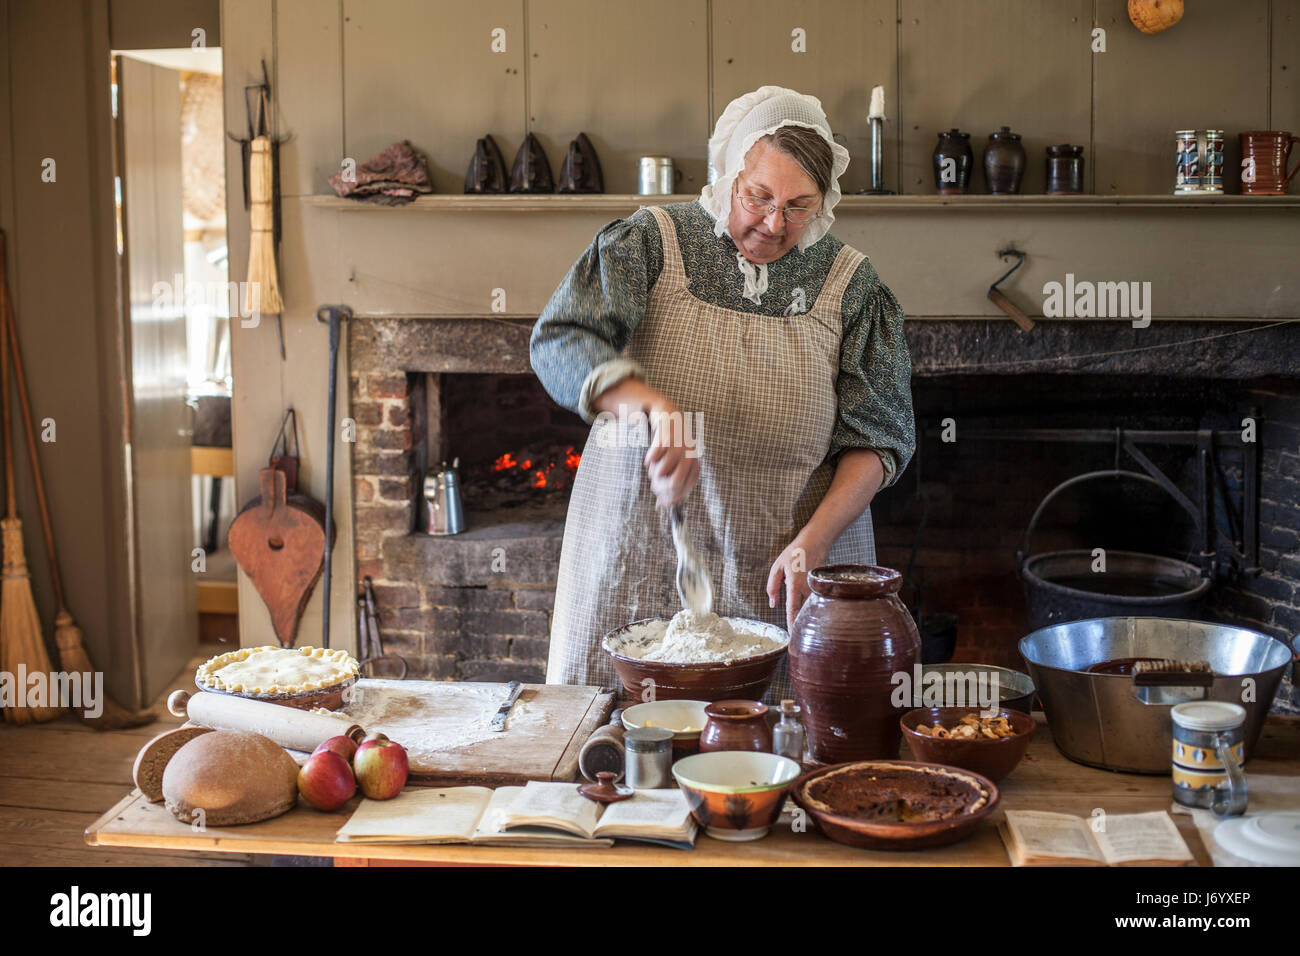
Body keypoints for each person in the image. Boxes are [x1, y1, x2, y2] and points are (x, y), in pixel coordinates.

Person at [530, 86, 915, 701]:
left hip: (788, 561)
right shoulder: (652, 243)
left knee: (778, 756)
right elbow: (561, 340)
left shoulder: (853, 286)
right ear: (728, 171)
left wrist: (812, 544)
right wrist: (650, 405)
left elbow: (880, 435)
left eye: (799, 206)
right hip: (640, 549)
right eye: (758, 196)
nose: (773, 224)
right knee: (616, 754)